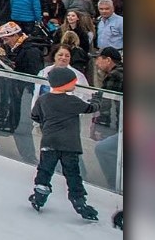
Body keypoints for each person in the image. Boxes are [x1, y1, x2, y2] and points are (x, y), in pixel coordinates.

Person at [27, 66, 103, 220]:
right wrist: (97, 99)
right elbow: (90, 108)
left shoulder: (43, 100)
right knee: (72, 173)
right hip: (70, 145)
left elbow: (34, 116)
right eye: (72, 82)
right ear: (65, 84)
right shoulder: (72, 101)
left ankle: (40, 193)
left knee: (45, 169)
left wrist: (46, 124)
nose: (75, 84)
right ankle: (78, 200)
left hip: (49, 142)